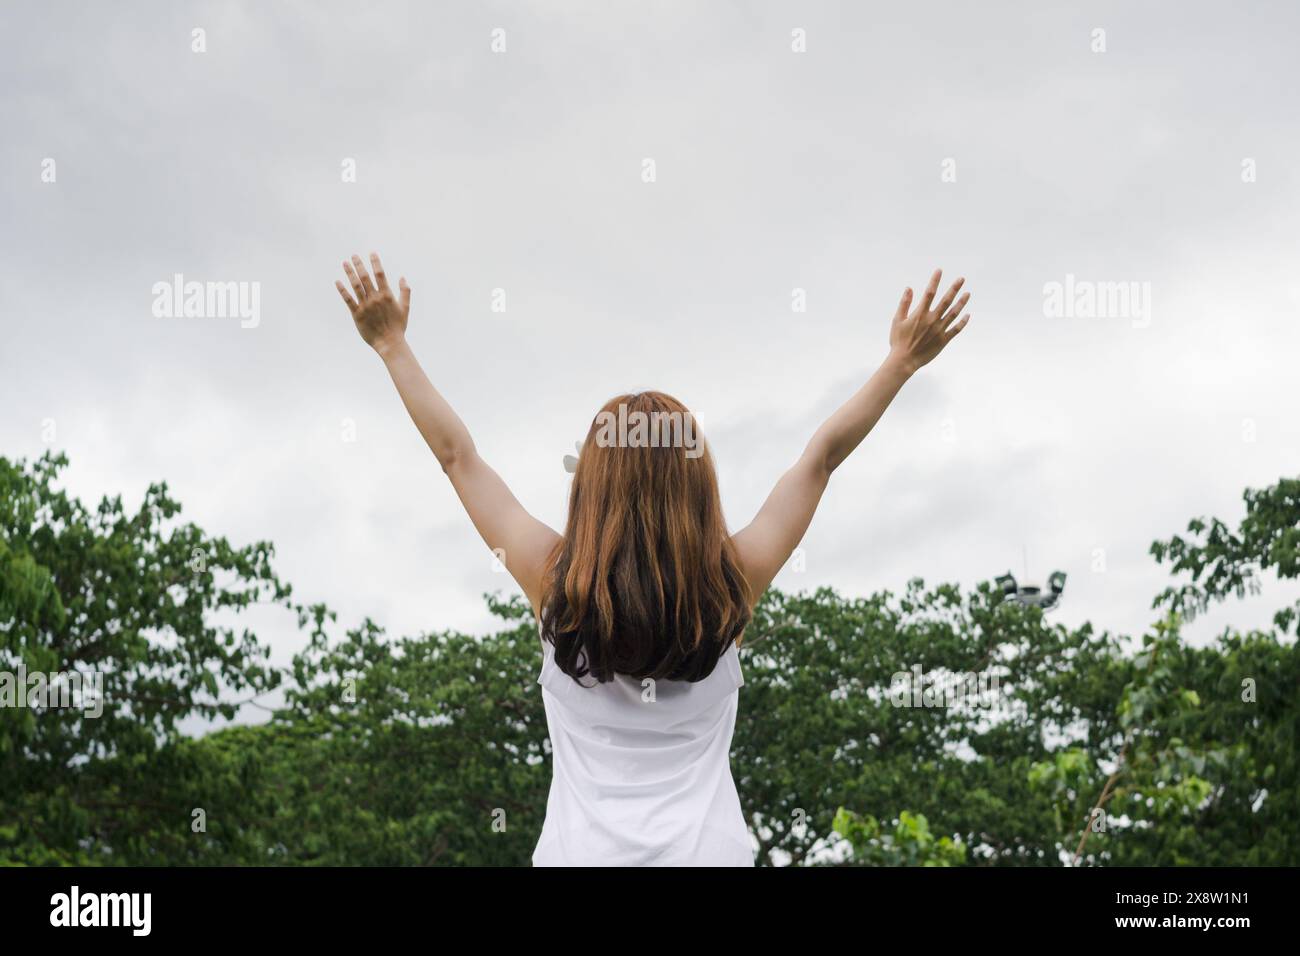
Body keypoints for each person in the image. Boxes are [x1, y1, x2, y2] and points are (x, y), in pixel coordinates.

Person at [335, 253, 971, 866]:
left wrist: (391, 344)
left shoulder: (555, 583)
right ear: (696, 489)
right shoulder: (732, 585)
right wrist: (901, 362)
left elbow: (458, 458)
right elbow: (821, 460)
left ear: (591, 488)